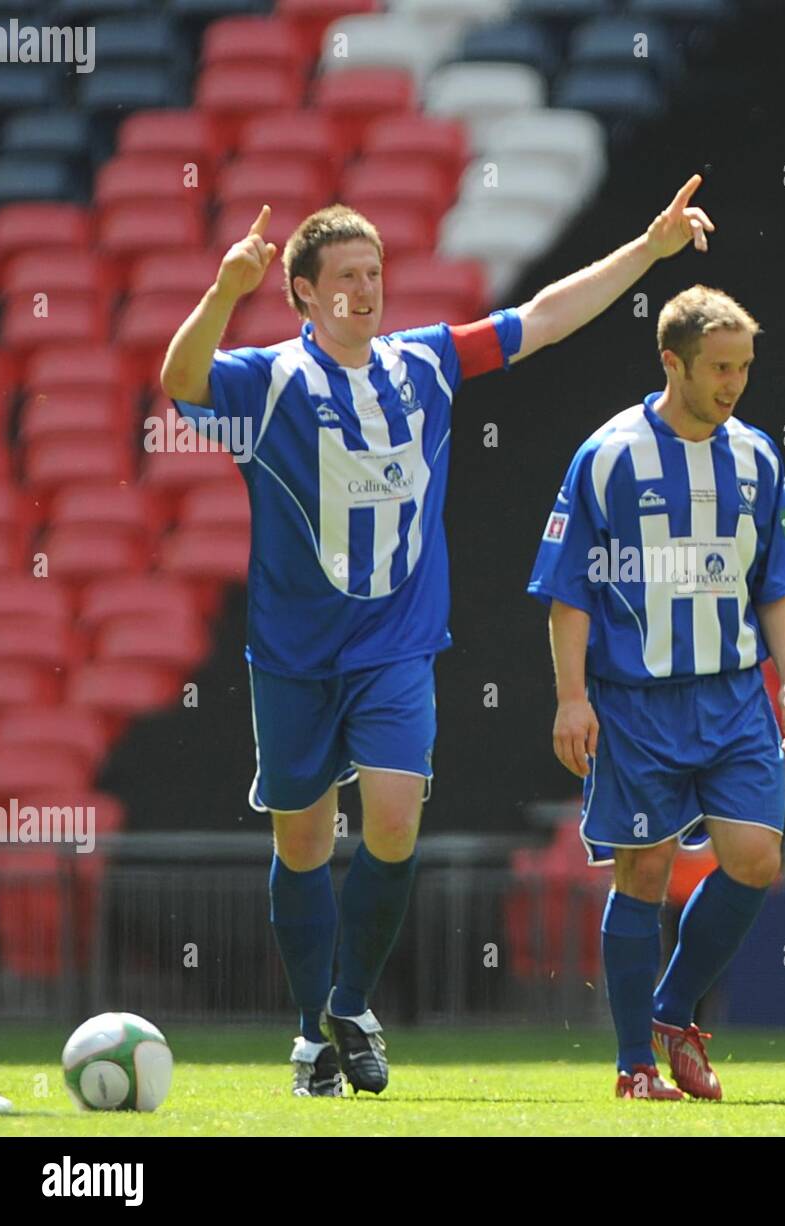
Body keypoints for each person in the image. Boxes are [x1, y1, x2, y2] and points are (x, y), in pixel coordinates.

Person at [159, 177, 716, 1097]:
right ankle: (312, 1042)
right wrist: (224, 290)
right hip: (293, 657)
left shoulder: (423, 363)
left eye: (375, 272)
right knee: (301, 845)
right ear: (303, 292)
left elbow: (540, 318)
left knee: (391, 821)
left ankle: (349, 1002)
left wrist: (649, 251)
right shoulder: (266, 382)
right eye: (344, 276)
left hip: (397, 646)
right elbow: (180, 379)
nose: (366, 290)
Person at [528, 285, 785, 1099]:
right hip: (636, 703)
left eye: (745, 368)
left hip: (732, 695)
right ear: (672, 361)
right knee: (644, 874)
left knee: (755, 859)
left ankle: (671, 1008)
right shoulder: (610, 455)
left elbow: (780, 578)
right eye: (719, 368)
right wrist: (572, 696)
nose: (733, 384)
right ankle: (633, 1066)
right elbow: (570, 588)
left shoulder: (758, 456)